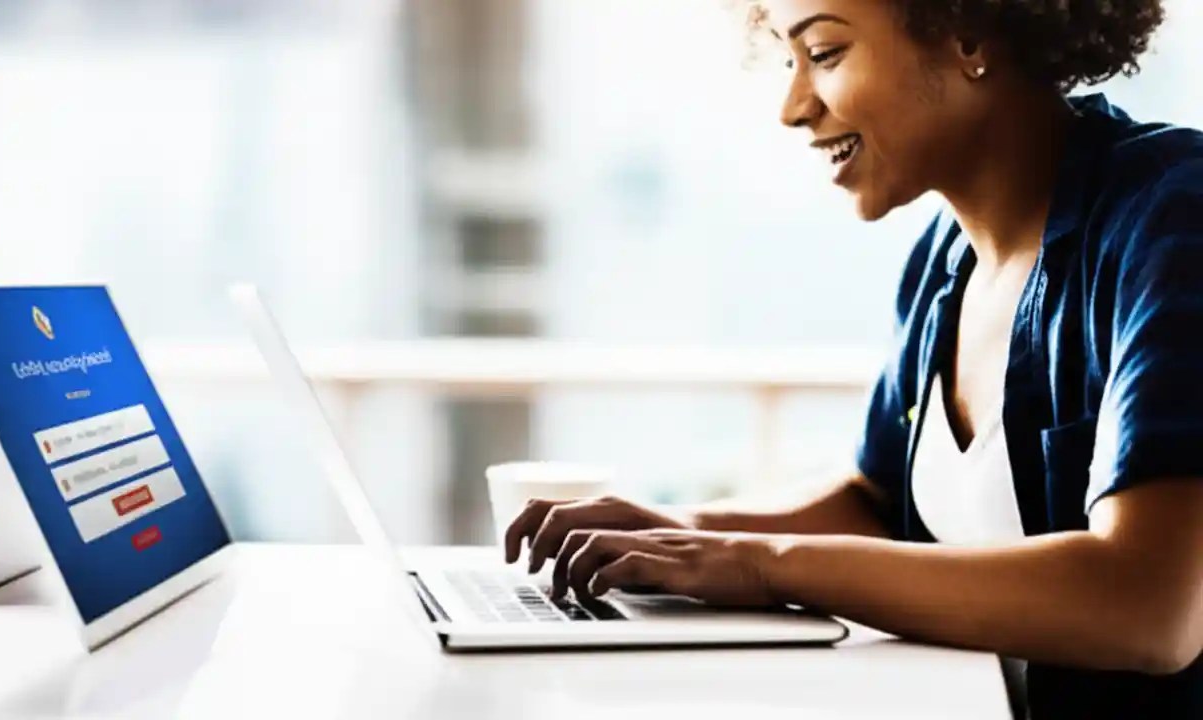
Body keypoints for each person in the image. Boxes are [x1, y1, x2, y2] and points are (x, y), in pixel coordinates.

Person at [501, 1, 1203, 718]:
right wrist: (683, 533)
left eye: (825, 54)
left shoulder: (1172, 211)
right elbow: (878, 506)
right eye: (787, 60)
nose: (792, 108)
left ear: (967, 36)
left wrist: (762, 565)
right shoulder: (945, 262)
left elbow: (1153, 607)